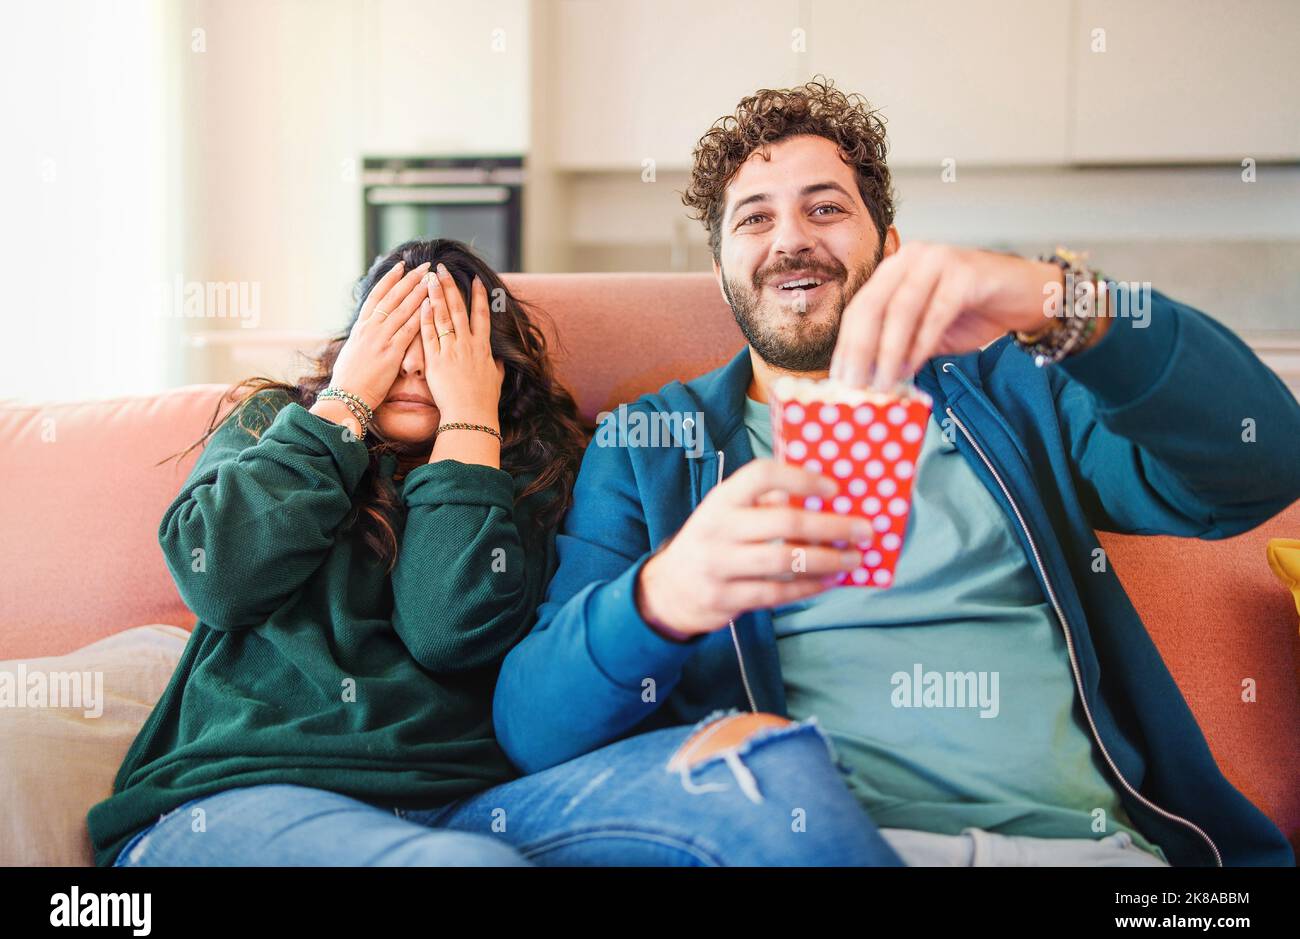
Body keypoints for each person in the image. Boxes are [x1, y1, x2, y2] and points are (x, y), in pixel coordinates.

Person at [489, 78, 1300, 867]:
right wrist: (663, 596)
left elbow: (1261, 462)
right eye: (755, 218)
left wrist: (1057, 300)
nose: (791, 239)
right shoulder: (651, 445)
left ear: (891, 246)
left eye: (827, 207)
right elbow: (533, 727)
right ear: (721, 274)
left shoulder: (1017, 397)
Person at [87, 238, 591, 866]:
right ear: (357, 344)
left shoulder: (535, 466)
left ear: (489, 363)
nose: (412, 367)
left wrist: (468, 423)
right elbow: (221, 580)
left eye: (440, 339)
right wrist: (342, 406)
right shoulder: (272, 422)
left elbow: (448, 632)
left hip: (459, 797)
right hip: (245, 789)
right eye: (393, 335)